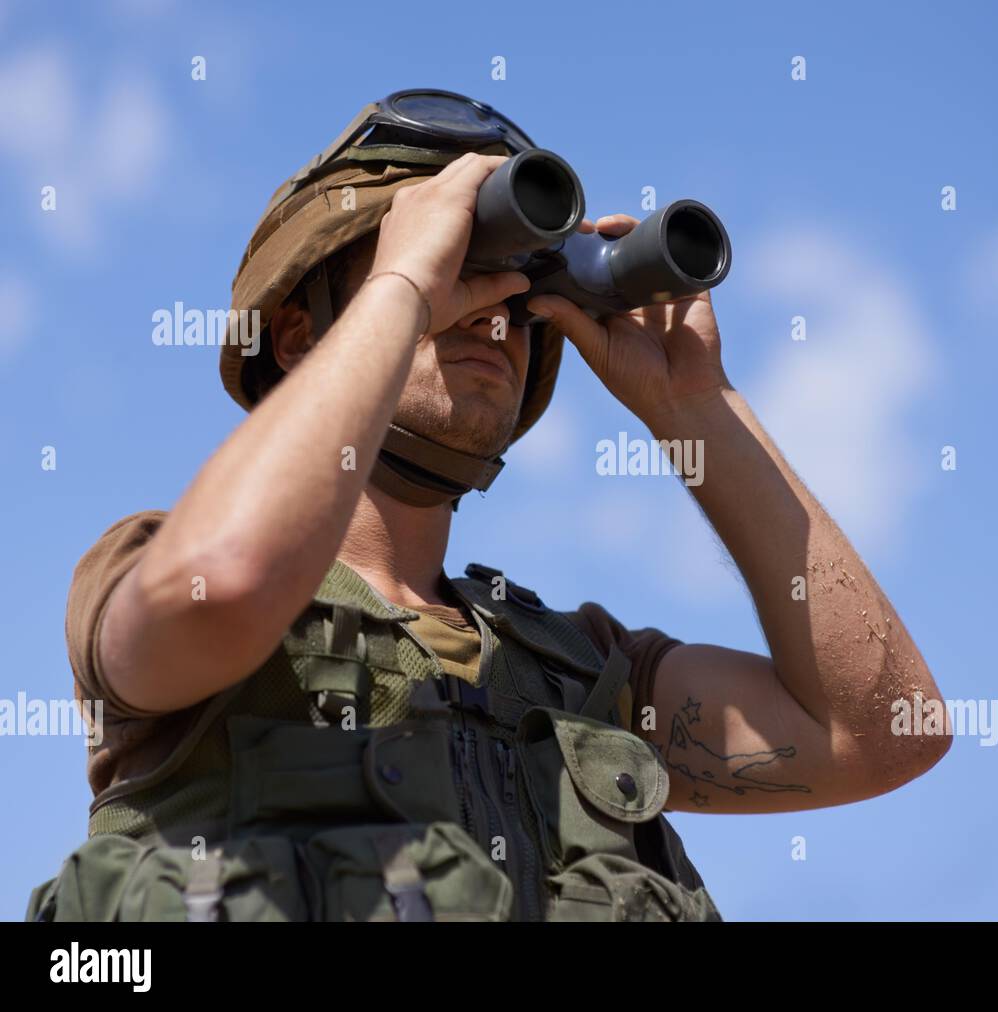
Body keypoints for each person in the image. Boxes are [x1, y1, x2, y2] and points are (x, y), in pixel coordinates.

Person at [29, 90, 951, 922]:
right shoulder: (149, 569)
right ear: (301, 332)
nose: (493, 315)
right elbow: (228, 582)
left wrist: (696, 407)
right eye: (462, 274)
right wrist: (402, 287)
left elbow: (879, 733)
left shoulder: (580, 674)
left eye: (519, 292)